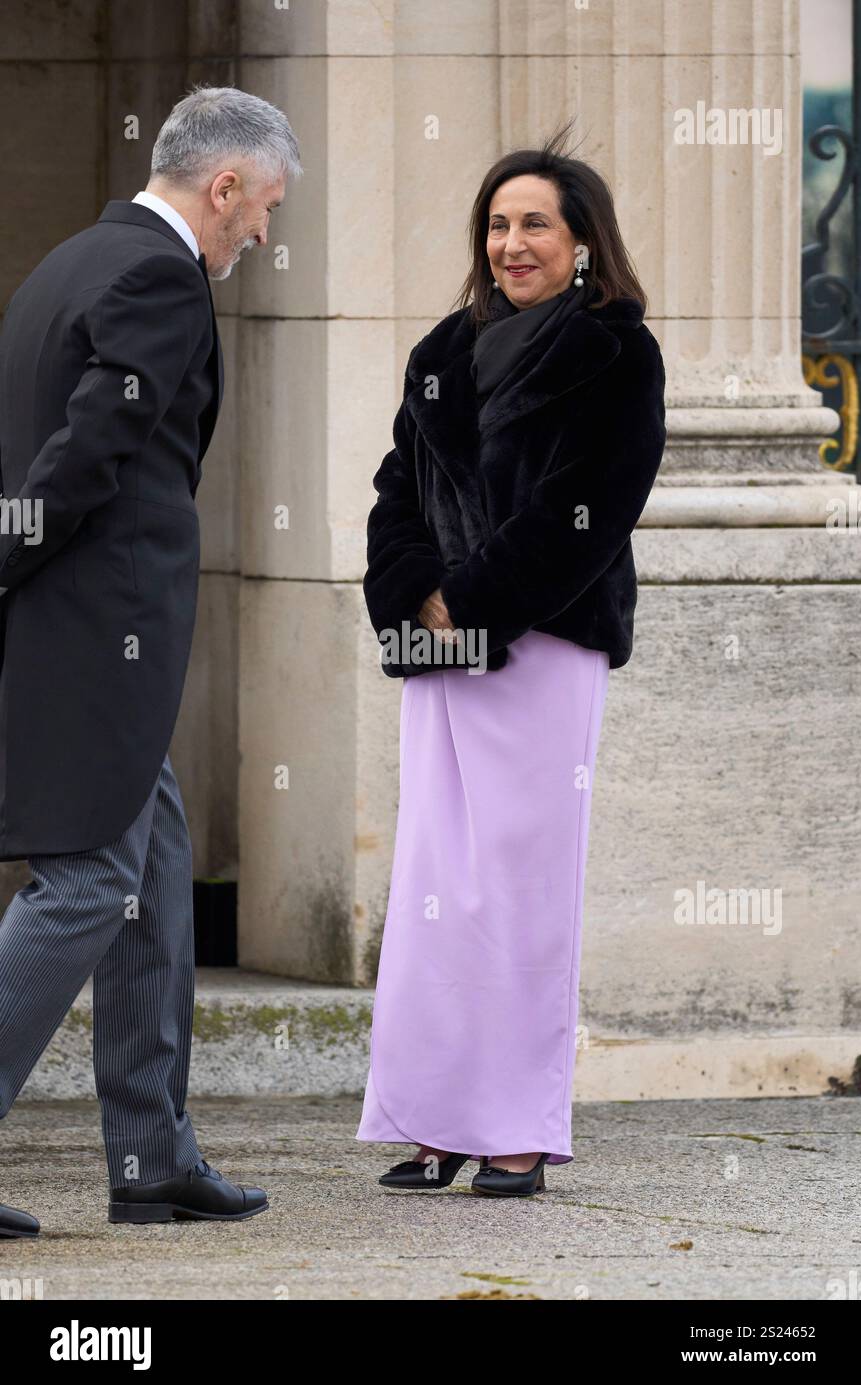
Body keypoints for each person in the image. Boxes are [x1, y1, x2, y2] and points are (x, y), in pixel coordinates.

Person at [0, 84, 301, 1238]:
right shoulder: (159, 275)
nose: (261, 235)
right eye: (263, 207)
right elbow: (86, 450)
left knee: (153, 872)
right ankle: (148, 1152)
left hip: (84, 632)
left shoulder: (65, 262)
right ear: (222, 186)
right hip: (99, 633)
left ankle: (151, 1155)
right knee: (86, 883)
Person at [356, 122, 666, 1197]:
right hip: (436, 647)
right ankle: (433, 1119)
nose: (509, 242)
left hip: (539, 648)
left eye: (533, 222)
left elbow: (585, 515)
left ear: (582, 241)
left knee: (519, 894)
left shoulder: (614, 351)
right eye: (496, 223)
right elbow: (397, 488)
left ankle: (516, 1130)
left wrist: (470, 604)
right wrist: (408, 595)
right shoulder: (442, 352)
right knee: (436, 885)